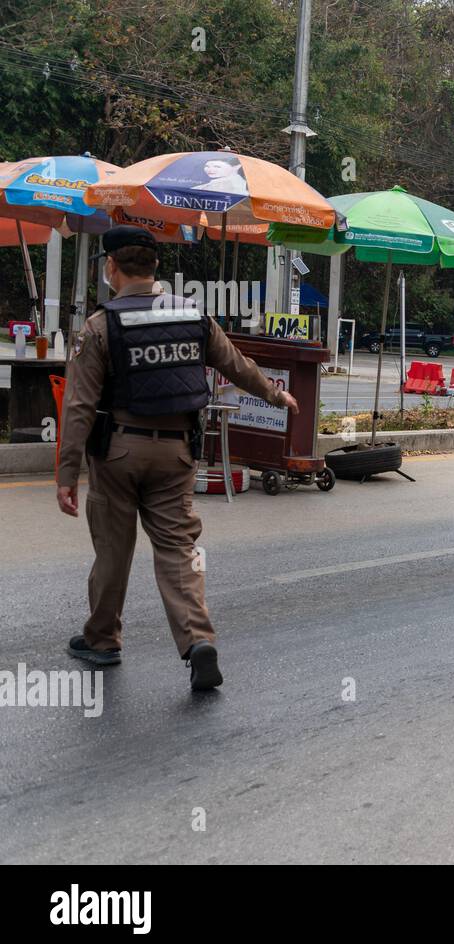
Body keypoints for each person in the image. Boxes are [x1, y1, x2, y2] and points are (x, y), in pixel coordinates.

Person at [56, 225, 299, 690]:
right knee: (178, 550)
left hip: (118, 452)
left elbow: (80, 406)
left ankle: (103, 639)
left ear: (111, 268)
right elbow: (237, 365)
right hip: (177, 454)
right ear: (153, 268)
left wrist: (67, 473)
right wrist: (275, 395)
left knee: (113, 548)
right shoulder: (194, 317)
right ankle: (197, 641)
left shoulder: (100, 325)